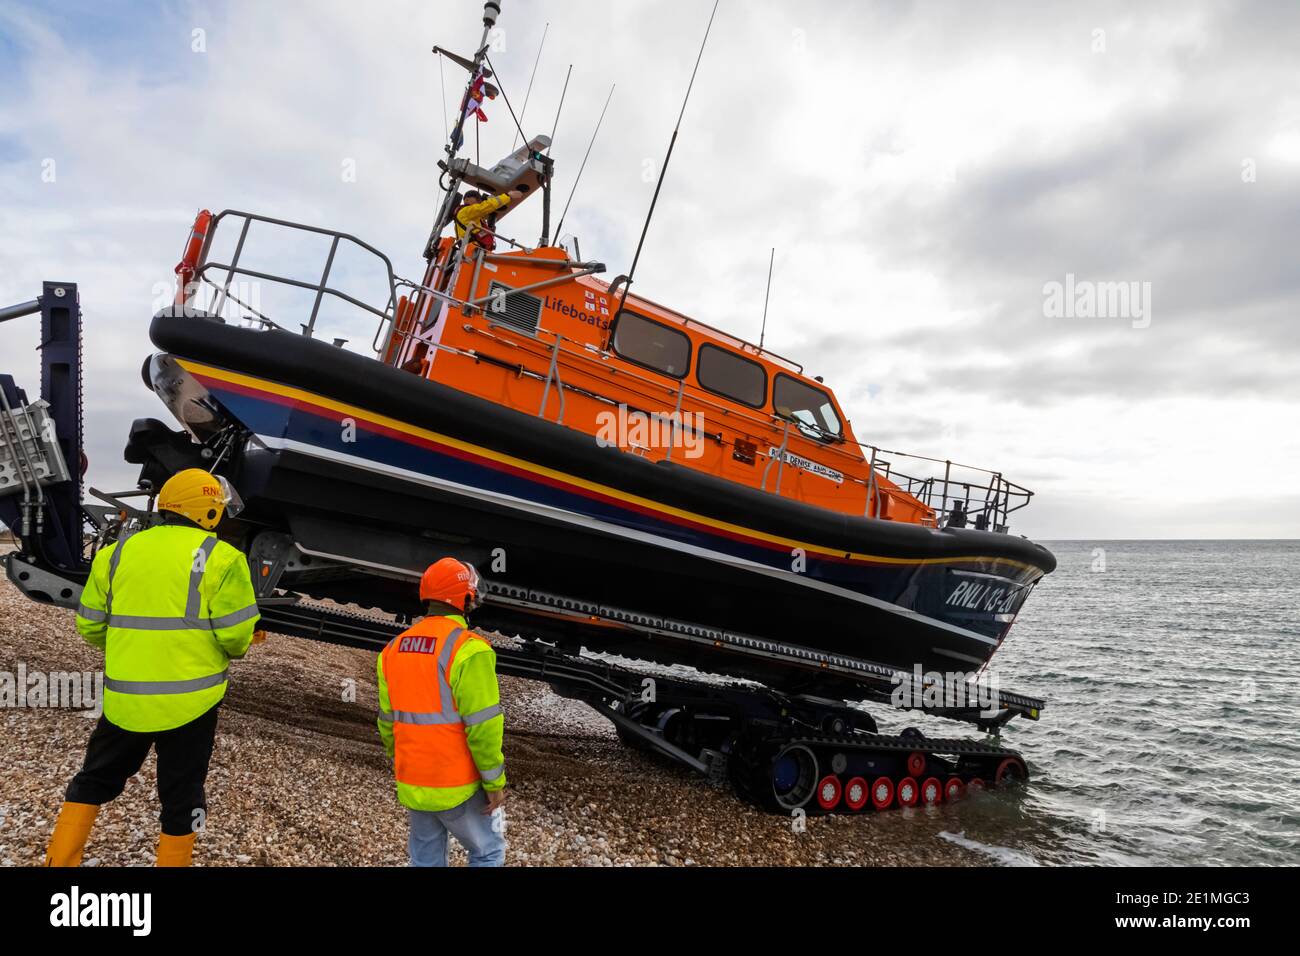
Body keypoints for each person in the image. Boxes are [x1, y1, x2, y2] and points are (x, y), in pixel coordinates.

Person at [45, 468, 260, 867]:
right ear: (209, 512)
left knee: (93, 779)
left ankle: (59, 862)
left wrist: (133, 648)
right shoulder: (224, 559)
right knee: (182, 795)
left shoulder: (117, 553)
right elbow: (235, 638)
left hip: (125, 700)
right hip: (191, 705)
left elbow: (90, 625)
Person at [377, 558, 507, 867]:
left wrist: (403, 764)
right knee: (488, 852)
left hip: (413, 780)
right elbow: (484, 727)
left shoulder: (393, 648)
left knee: (425, 859)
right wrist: (494, 783)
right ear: (464, 598)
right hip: (456, 783)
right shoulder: (470, 650)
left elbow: (387, 723)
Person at [454, 189, 524, 252]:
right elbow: (486, 206)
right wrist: (508, 196)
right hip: (473, 249)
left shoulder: (472, 217)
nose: (479, 202)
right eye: (477, 199)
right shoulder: (465, 211)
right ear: (467, 200)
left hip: (476, 250)